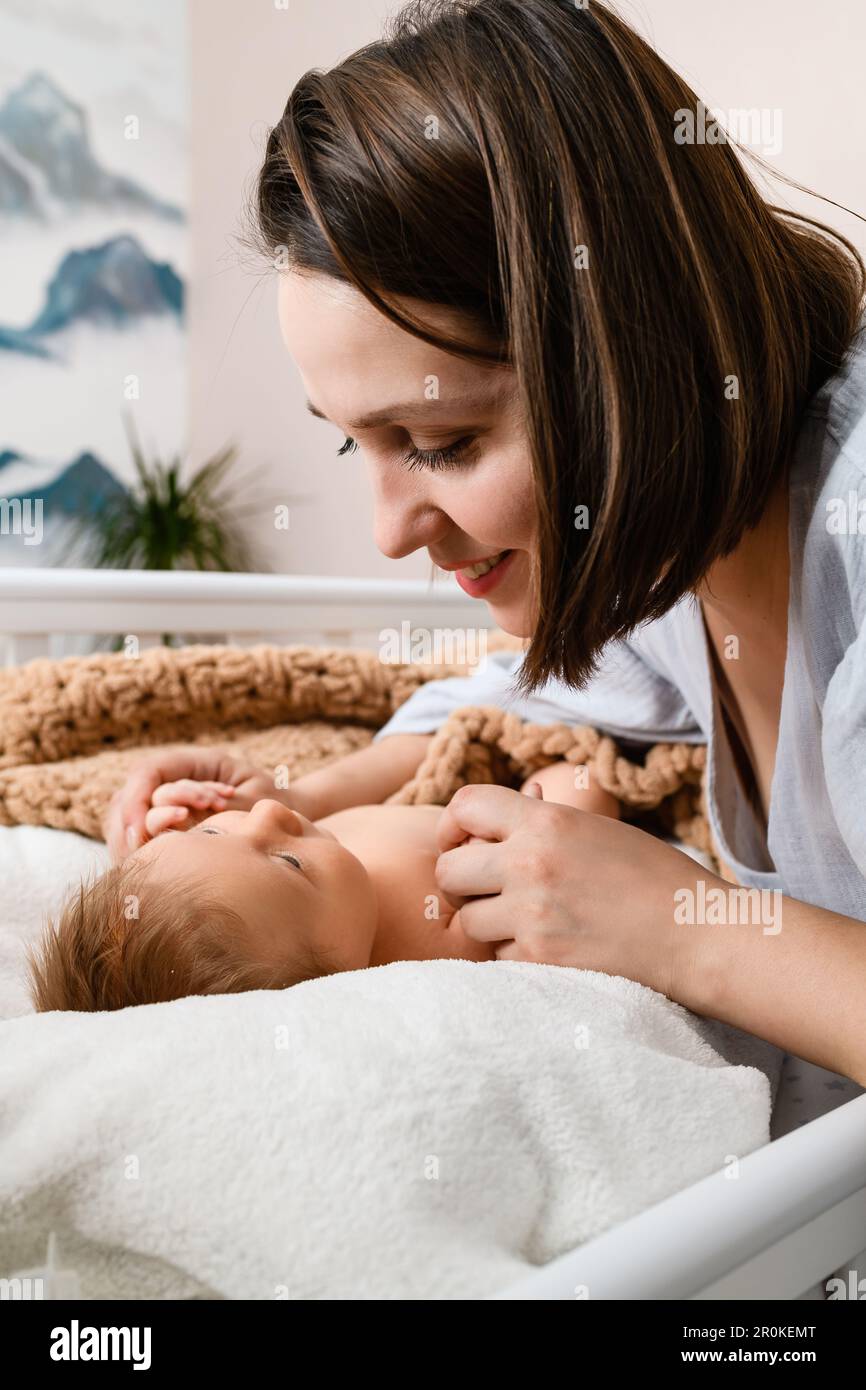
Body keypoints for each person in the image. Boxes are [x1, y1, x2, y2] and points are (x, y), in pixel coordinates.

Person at [107, 0, 866, 1083]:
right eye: (351, 447)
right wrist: (279, 808)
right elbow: (525, 693)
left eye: (441, 440)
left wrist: (678, 925)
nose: (384, 533)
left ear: (629, 353)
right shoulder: (674, 557)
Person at [33, 770, 597, 1011]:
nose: (267, 813)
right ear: (335, 979)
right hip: (518, 803)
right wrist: (538, 816)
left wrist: (190, 829)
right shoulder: (424, 944)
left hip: (440, 780)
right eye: (290, 862)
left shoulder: (272, 881)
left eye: (211, 831)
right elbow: (535, 892)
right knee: (584, 786)